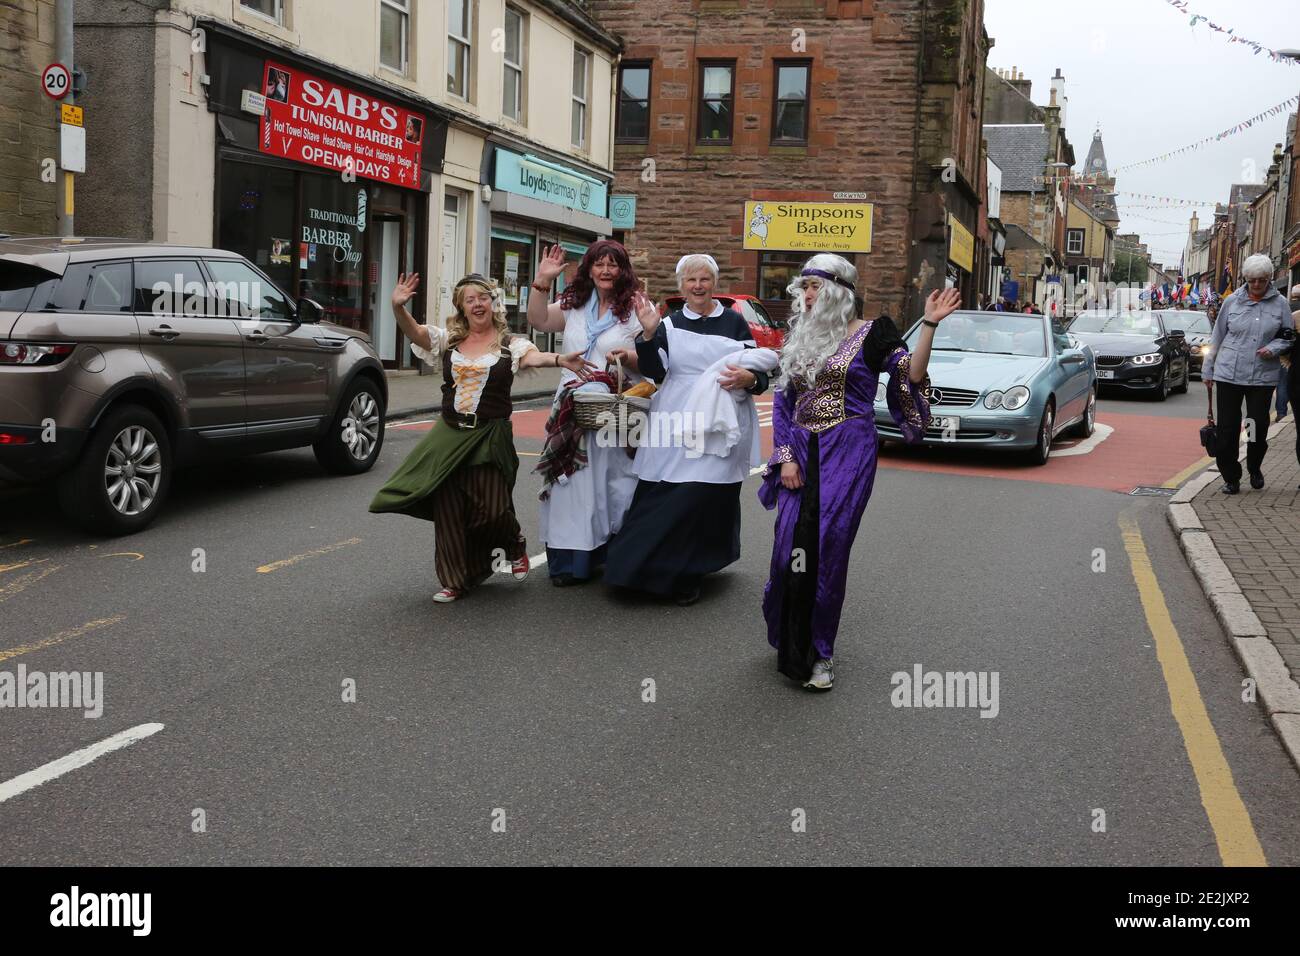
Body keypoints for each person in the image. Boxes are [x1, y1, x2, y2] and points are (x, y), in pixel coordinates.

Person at [760, 254, 960, 691]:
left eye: (816, 288)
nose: (808, 296)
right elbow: (783, 402)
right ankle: (790, 639)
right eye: (804, 288)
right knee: (787, 544)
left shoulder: (874, 333)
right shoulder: (802, 338)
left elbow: (911, 375)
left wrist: (928, 325)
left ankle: (821, 655)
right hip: (802, 450)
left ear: (839, 292)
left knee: (828, 548)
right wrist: (787, 455)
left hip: (848, 451)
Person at [369, 273, 597, 602]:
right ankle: (454, 579)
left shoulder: (510, 345)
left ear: (493, 303)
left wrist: (560, 359)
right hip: (449, 432)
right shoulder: (449, 341)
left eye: (482, 298)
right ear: (462, 308)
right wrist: (397, 307)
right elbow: (416, 333)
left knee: (491, 508)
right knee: (448, 505)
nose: (477, 304)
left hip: (491, 434)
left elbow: (533, 357)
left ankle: (513, 543)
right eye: (470, 300)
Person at [604, 254, 778, 606]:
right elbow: (655, 371)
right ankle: (639, 569)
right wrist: (650, 332)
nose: (698, 286)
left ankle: (687, 572)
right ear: (681, 285)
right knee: (666, 488)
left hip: (720, 417)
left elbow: (759, 371)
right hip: (675, 416)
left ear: (714, 283)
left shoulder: (733, 323)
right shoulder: (667, 322)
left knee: (703, 495)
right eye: (690, 280)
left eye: (704, 279)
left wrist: (751, 378)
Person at [526, 240, 645, 587]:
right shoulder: (573, 304)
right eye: (599, 264)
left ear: (623, 271)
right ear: (589, 269)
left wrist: (630, 357)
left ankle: (611, 556)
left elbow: (654, 356)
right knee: (571, 483)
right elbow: (537, 320)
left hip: (613, 409)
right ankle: (569, 563)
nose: (606, 271)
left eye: (613, 265)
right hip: (571, 407)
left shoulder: (635, 308)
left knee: (613, 483)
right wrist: (541, 281)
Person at [1202, 255, 1295, 495]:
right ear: (1245, 279)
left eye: (1261, 280)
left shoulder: (1280, 303)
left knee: (1255, 426)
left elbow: (1287, 336)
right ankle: (1231, 477)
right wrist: (1208, 369)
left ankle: (1254, 466)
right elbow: (1217, 337)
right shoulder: (1232, 301)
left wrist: (1272, 349)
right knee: (1228, 430)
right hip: (1229, 375)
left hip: (1261, 378)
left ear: (1269, 279)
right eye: (1252, 280)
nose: (1256, 285)